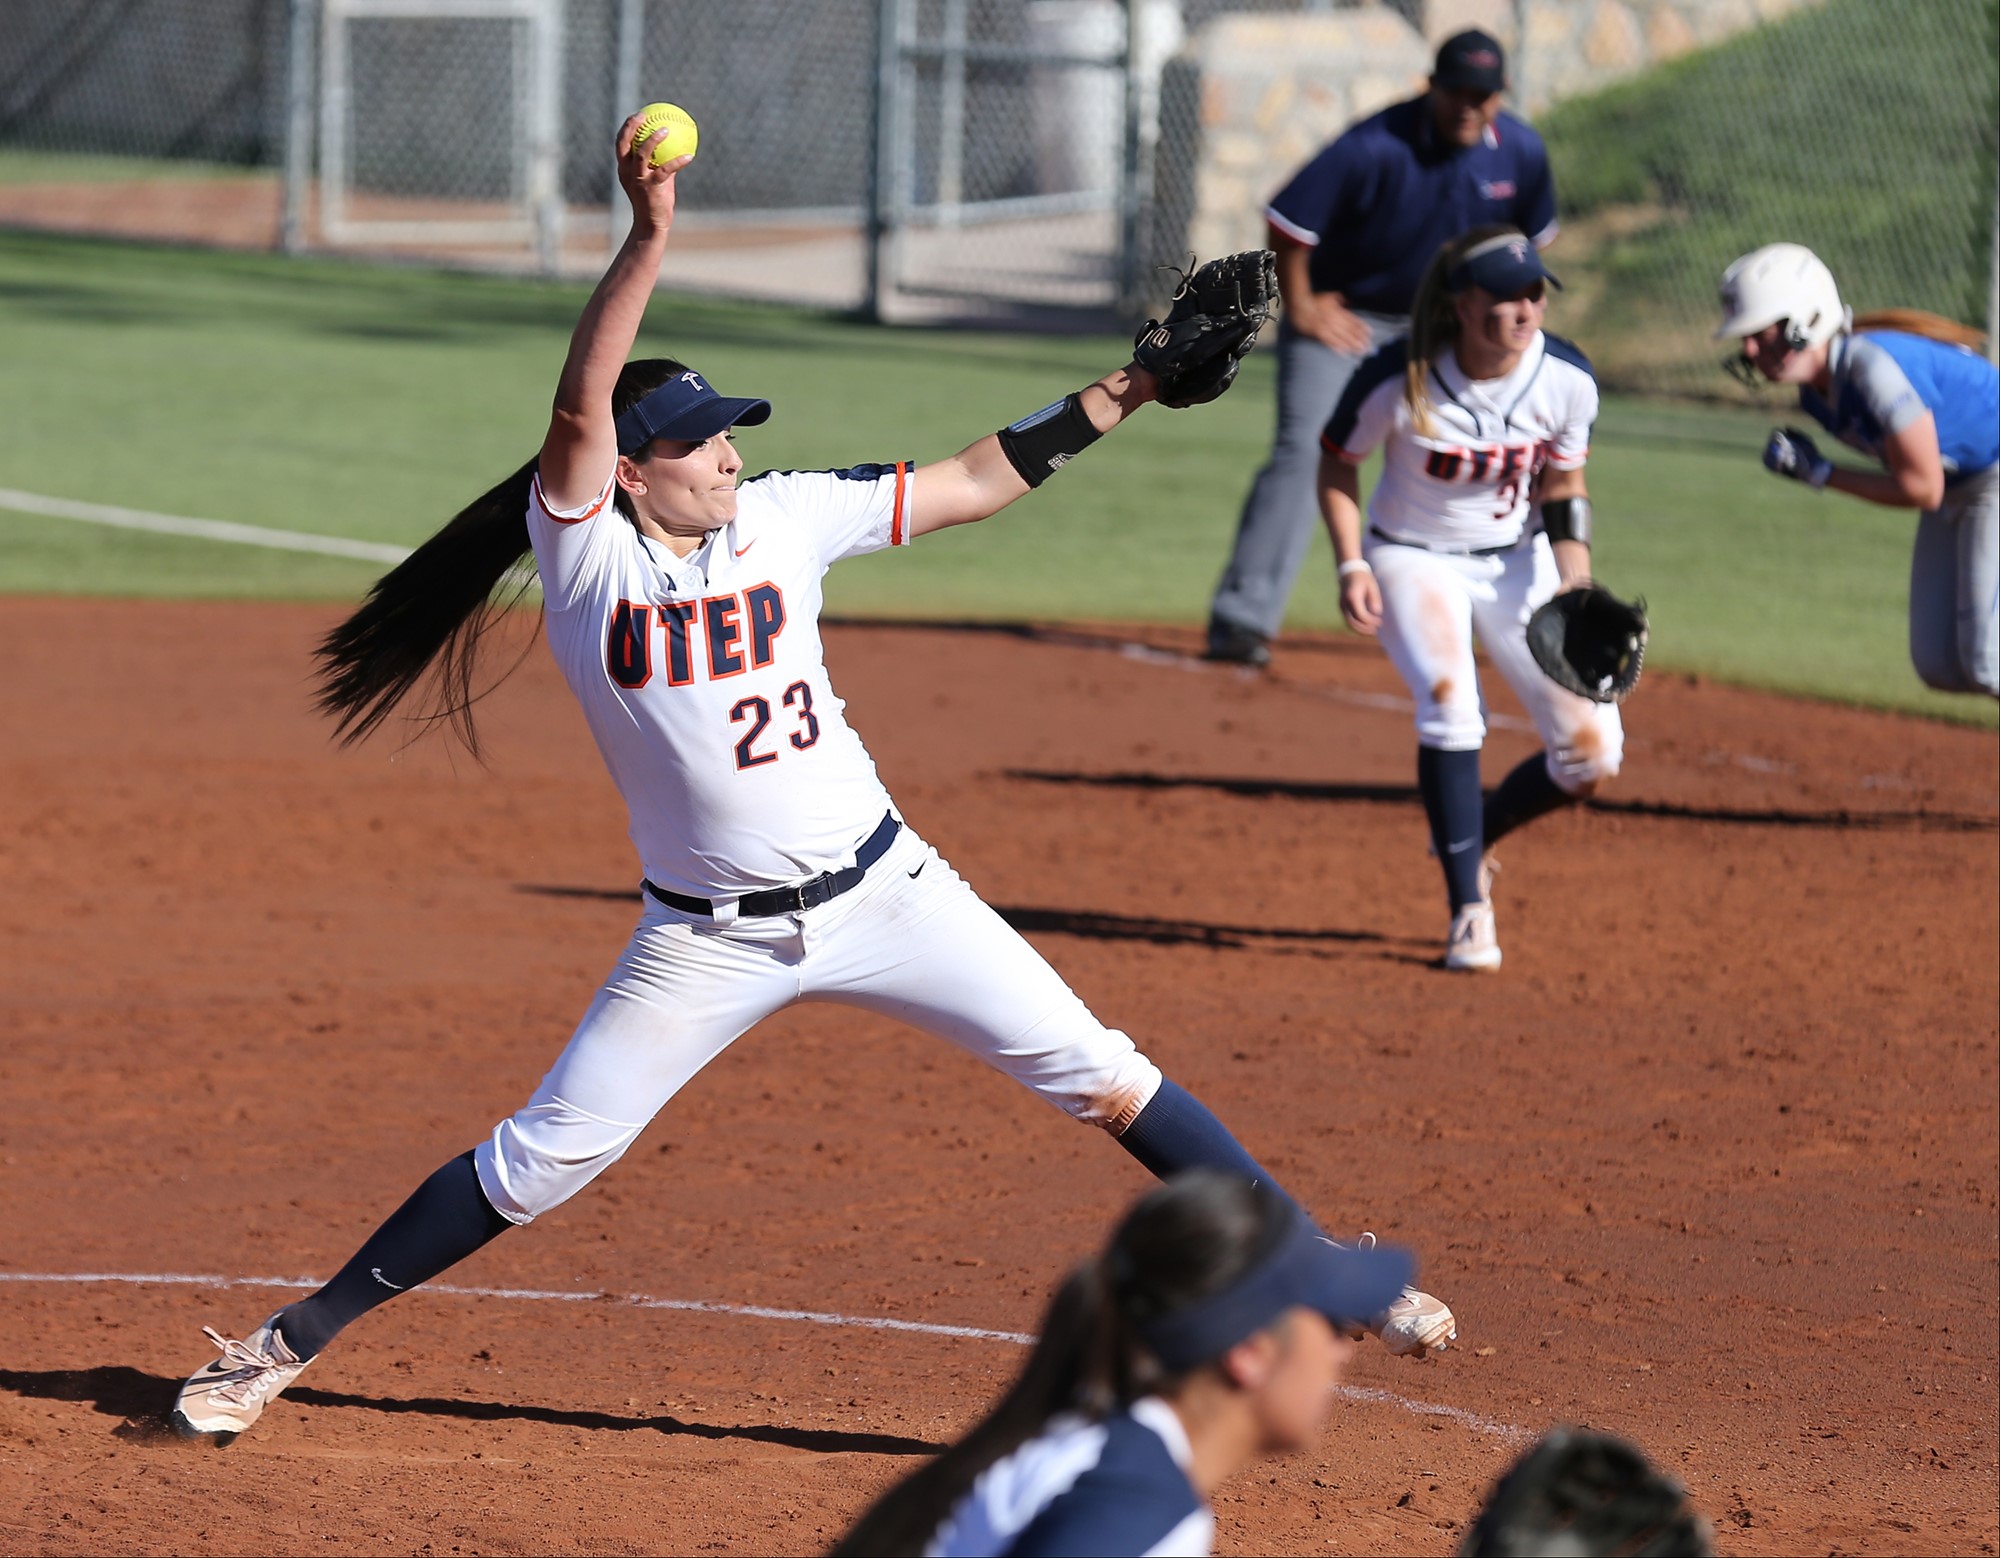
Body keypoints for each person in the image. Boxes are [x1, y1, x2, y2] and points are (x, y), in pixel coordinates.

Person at [170, 114, 1455, 1444]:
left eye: (732, 435)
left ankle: (1311, 1260)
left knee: (1101, 1070)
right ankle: (283, 1342)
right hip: (702, 940)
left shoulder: (785, 517)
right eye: (700, 442)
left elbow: (968, 478)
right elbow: (575, 404)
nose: (729, 453)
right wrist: (649, 235)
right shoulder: (587, 562)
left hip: (891, 890)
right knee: (544, 1156)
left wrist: (1122, 389)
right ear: (628, 471)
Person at [1316, 227, 1621, 972]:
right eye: (1505, 295)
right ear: (1462, 302)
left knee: (1592, 757)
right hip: (1413, 556)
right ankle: (1468, 910)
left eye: (1535, 293)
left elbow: (1564, 486)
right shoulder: (1401, 374)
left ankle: (1470, 833)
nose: (1523, 309)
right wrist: (1351, 564)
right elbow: (1337, 464)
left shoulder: (1567, 379)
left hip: (1521, 560)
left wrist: (1575, 582)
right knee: (1452, 706)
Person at [832, 1171, 1416, 1558]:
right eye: (1332, 1324)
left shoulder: (1081, 1450)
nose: (1341, 1350)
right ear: (1250, 1353)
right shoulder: (1136, 1511)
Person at [1206, 28, 1558, 668]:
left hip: (1454, 330)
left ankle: (1494, 611)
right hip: (1356, 321)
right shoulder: (1375, 145)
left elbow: (1533, 247)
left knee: (1492, 451)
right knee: (1304, 447)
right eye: (1456, 91)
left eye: (1481, 94)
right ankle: (1242, 617)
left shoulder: (1522, 153)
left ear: (1501, 95)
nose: (1467, 106)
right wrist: (1305, 305)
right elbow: (1287, 223)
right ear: (1432, 87)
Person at [1718, 242, 1999, 699]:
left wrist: (1822, 474)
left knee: (1987, 662)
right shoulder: (1816, 393)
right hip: (1960, 483)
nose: (1748, 348)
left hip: (1990, 473)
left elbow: (1923, 488)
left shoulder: (1871, 367)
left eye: (1759, 332)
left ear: (1805, 320)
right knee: (1938, 664)